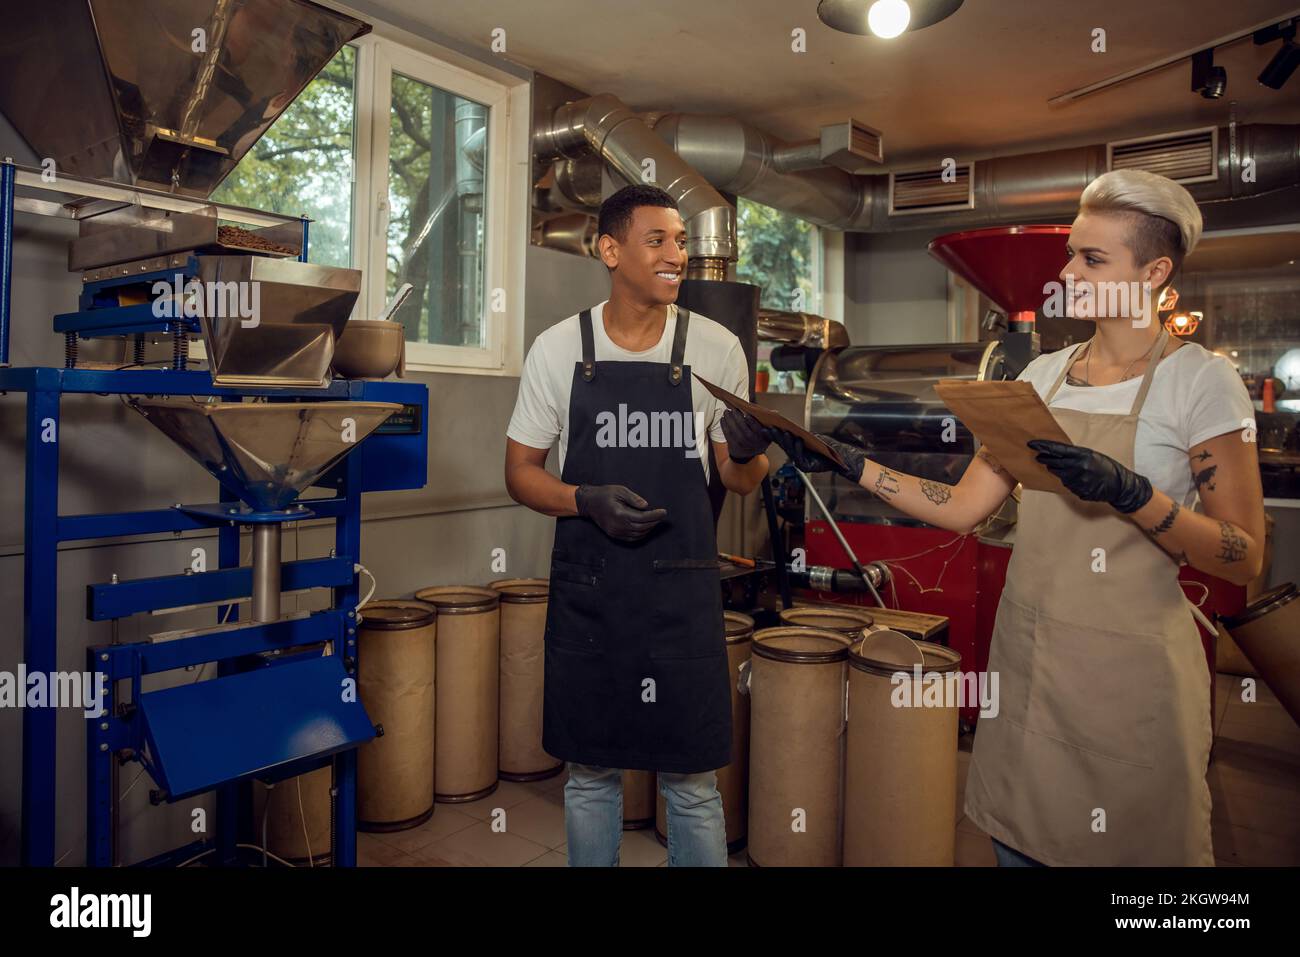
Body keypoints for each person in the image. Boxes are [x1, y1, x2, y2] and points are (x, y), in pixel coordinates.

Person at [767, 168, 1263, 867]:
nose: (1067, 271)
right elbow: (964, 507)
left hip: (1133, 680)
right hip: (1032, 671)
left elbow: (1242, 554)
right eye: (1072, 253)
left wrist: (1134, 496)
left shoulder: (1200, 381)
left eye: (1092, 258)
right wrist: (847, 462)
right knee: (1018, 848)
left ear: (1154, 271)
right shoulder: (1042, 379)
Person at [504, 184, 772, 866]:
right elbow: (520, 472)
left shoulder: (716, 350)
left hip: (681, 596)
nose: (676, 253)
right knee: (591, 776)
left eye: (682, 240)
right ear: (610, 249)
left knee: (692, 780)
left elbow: (739, 480)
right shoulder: (559, 349)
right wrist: (584, 499)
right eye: (658, 239)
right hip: (591, 595)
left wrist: (746, 452)